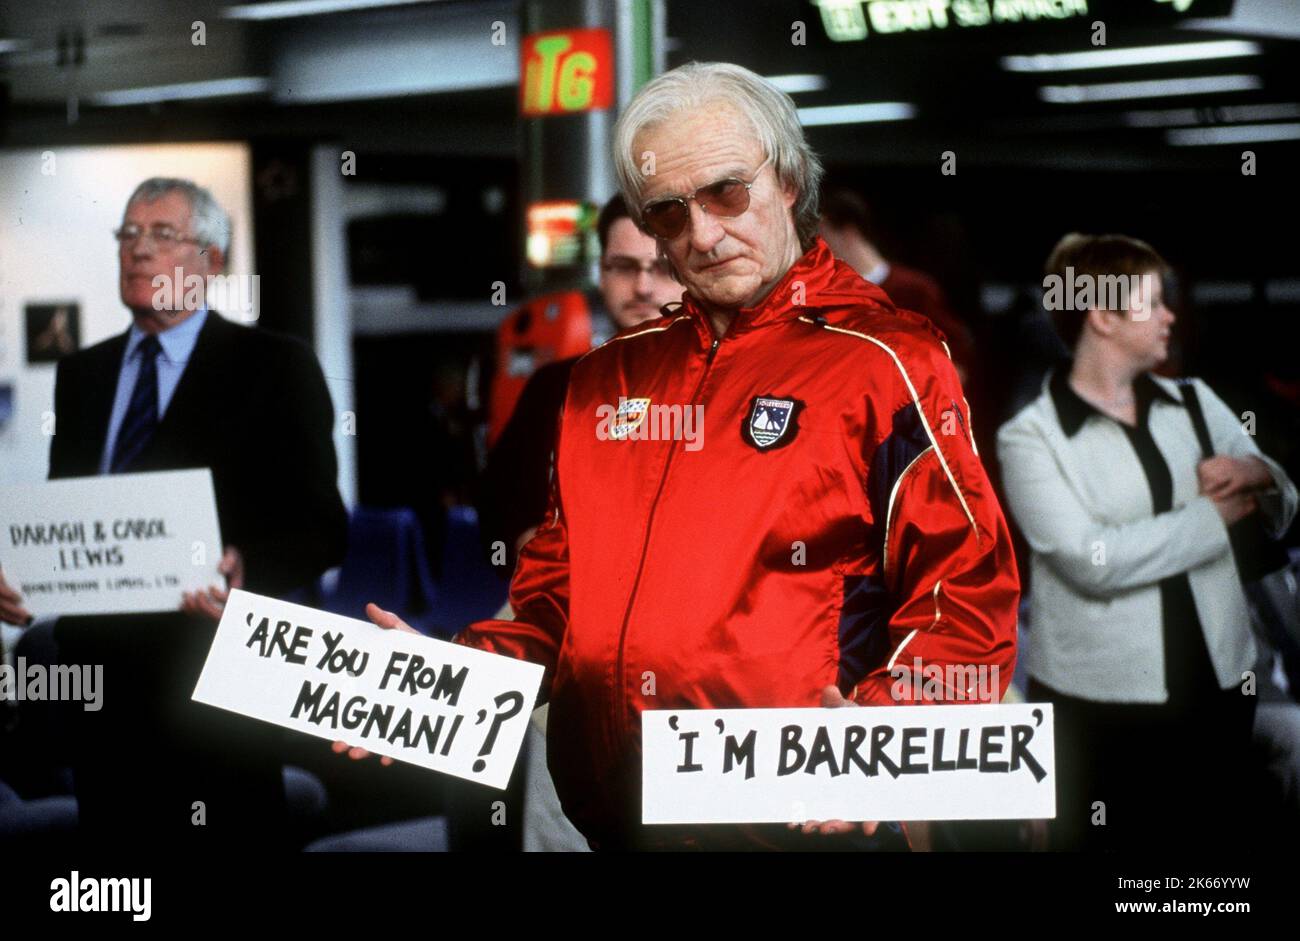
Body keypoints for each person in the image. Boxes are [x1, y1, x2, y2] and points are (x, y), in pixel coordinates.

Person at [362, 62, 1021, 851]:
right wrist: (441, 680)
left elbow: (965, 592)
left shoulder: (887, 360)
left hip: (799, 818)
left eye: (726, 193)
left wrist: (884, 730)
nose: (701, 235)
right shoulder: (606, 377)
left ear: (786, 180)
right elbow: (554, 602)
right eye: (668, 213)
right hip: (617, 818)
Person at [0, 177, 348, 847]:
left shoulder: (275, 366)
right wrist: (22, 574)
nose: (138, 251)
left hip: (217, 689)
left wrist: (247, 562)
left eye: (162, 235)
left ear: (211, 263)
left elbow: (323, 529)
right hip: (102, 701)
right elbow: (69, 515)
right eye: (128, 234)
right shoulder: (83, 376)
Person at [996, 232, 1298, 852]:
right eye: (1154, 302)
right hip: (1100, 705)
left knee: (1209, 866)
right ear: (1103, 316)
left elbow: (1281, 503)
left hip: (1218, 690)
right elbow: (1089, 560)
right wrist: (1215, 516)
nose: (1171, 316)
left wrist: (1261, 475)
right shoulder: (1030, 438)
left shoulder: (1193, 400)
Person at [478, 194, 682, 571]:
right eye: (624, 267)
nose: (642, 287)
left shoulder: (724, 386)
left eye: (662, 268)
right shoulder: (555, 386)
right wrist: (527, 541)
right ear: (601, 274)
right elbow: (496, 503)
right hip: (564, 606)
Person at [818, 188, 975, 384]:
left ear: (849, 233)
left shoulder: (914, 289)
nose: (817, 246)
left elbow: (956, 361)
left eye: (822, 234)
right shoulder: (825, 296)